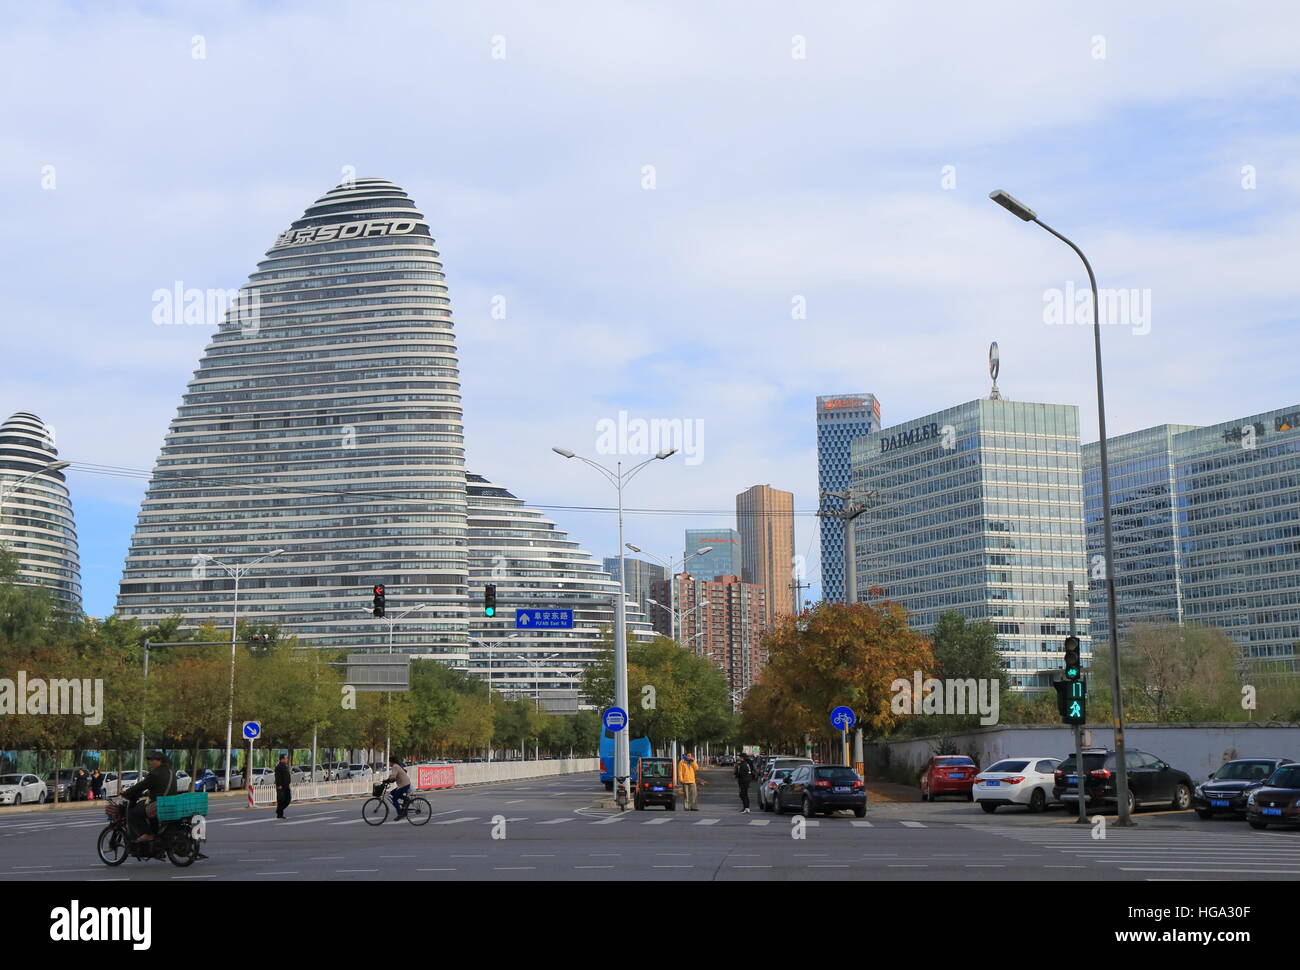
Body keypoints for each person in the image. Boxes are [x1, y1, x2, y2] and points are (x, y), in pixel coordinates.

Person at [123, 751, 175, 842]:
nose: (150, 762)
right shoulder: (171, 772)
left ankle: (147, 834)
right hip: (170, 802)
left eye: (152, 760)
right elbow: (161, 787)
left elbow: (141, 786)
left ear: (159, 761)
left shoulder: (156, 773)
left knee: (134, 812)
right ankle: (154, 833)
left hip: (159, 804)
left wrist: (126, 793)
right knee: (144, 808)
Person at [274, 753, 292, 819]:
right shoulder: (279, 767)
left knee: (287, 799)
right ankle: (279, 814)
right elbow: (277, 777)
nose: (287, 759)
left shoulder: (285, 766)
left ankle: (279, 812)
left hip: (286, 786)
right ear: (282, 759)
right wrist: (278, 785)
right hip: (281, 786)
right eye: (286, 758)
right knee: (281, 800)